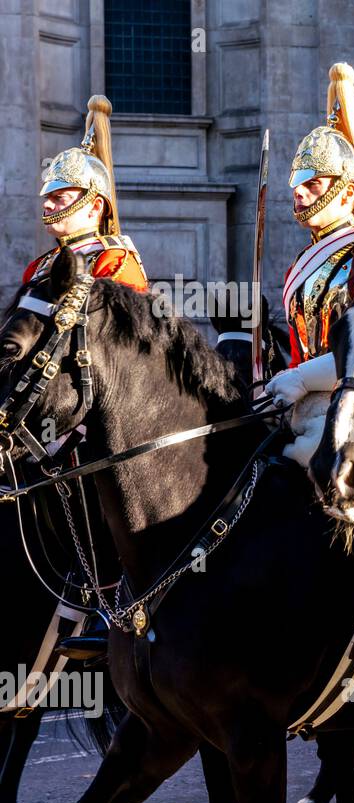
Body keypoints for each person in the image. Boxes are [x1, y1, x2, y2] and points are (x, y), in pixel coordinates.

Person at [261, 64, 354, 701]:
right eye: (297, 182)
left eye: (313, 181)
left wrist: (299, 377)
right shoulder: (310, 256)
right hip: (308, 403)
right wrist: (280, 378)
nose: (299, 192)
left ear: (347, 187)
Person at [28, 96, 147, 660]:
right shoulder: (42, 267)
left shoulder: (116, 262)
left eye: (63, 194)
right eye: (47, 194)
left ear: (96, 204)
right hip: (43, 395)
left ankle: (101, 595)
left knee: (79, 473)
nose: (51, 203)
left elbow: (125, 346)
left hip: (96, 402)